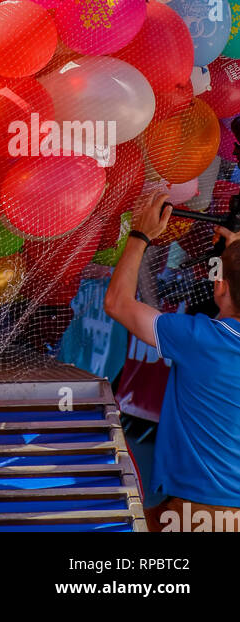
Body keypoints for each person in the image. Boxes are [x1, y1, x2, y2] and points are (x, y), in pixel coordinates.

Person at [104, 190, 240, 532]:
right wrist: (232, 257)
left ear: (220, 286)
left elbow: (118, 303)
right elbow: (225, 294)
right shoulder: (203, 335)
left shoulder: (199, 338)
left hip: (200, 512)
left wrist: (140, 234)